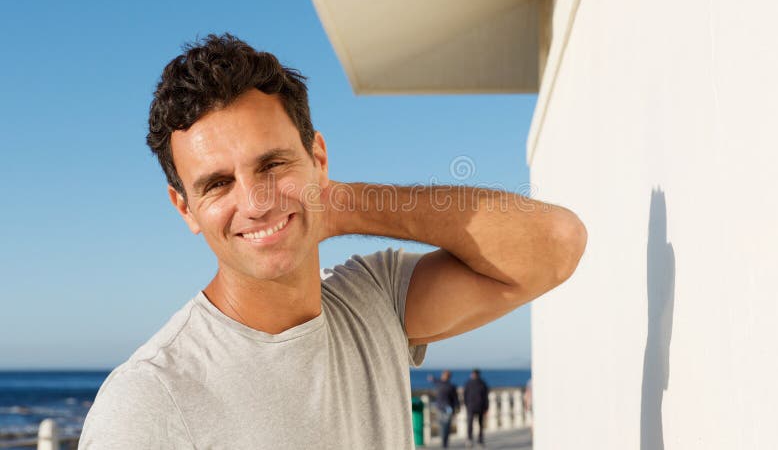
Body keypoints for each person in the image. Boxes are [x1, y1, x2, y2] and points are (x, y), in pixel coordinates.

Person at [78, 34, 587, 449]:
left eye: (273, 165)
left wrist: (335, 203)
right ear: (184, 207)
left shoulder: (376, 300)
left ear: (318, 157)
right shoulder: (148, 399)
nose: (255, 202)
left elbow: (555, 242)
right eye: (217, 184)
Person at [430, 370, 459, 448]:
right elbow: (435, 380)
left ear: (448, 377)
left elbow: (455, 399)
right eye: (443, 375)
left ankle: (444, 443)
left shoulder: (451, 386)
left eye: (445, 375)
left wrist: (457, 408)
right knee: (442, 426)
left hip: (448, 409)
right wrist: (432, 378)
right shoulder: (439, 383)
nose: (443, 376)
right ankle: (444, 442)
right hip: (439, 408)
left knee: (446, 426)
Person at [463, 369, 489, 447]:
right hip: (471, 407)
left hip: (480, 407)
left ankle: (480, 439)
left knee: (480, 424)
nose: (473, 375)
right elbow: (465, 395)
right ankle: (470, 439)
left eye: (474, 374)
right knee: (470, 423)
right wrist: (466, 405)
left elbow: (485, 397)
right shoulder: (468, 383)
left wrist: (486, 407)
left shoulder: (482, 384)